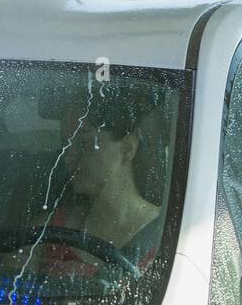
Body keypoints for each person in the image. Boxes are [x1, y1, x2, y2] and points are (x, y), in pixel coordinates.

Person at [31, 90, 165, 278]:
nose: (68, 157)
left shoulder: (171, 237)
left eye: (83, 143)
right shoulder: (45, 231)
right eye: (65, 146)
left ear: (127, 149)